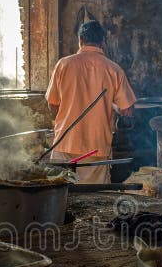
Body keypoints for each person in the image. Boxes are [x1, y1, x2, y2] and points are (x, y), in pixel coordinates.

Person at [45, 20, 137, 184]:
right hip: (96, 148)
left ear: (80, 40)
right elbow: (128, 110)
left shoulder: (63, 65)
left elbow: (53, 105)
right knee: (94, 196)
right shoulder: (114, 69)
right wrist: (112, 106)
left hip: (64, 144)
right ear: (102, 42)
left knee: (61, 193)